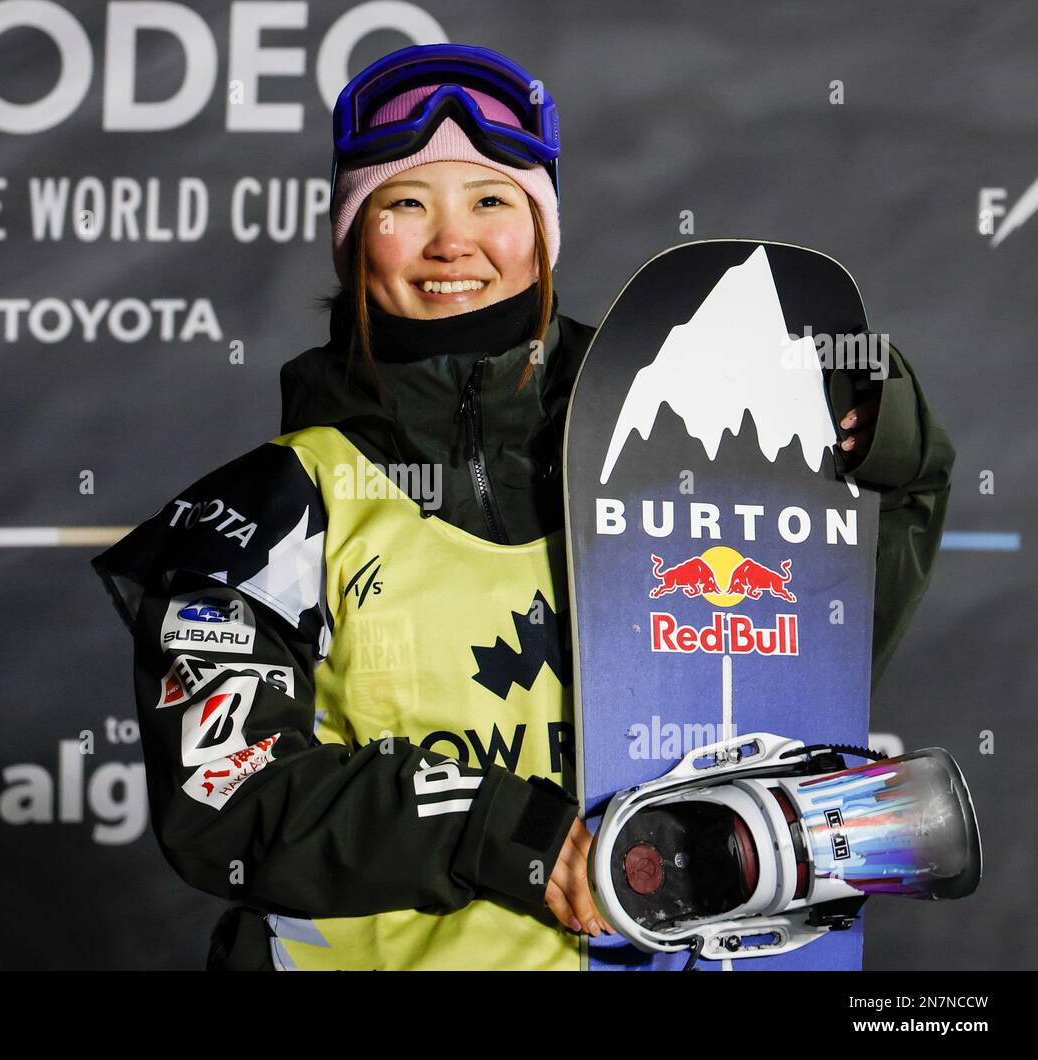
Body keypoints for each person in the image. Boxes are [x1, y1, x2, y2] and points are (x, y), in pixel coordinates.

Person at [91, 43, 954, 971]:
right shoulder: (266, 515)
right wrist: (509, 834)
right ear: (352, 239)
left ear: (541, 231)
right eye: (405, 204)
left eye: (492, 201)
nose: (451, 243)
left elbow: (808, 677)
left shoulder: (674, 473)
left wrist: (882, 447)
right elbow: (226, 803)